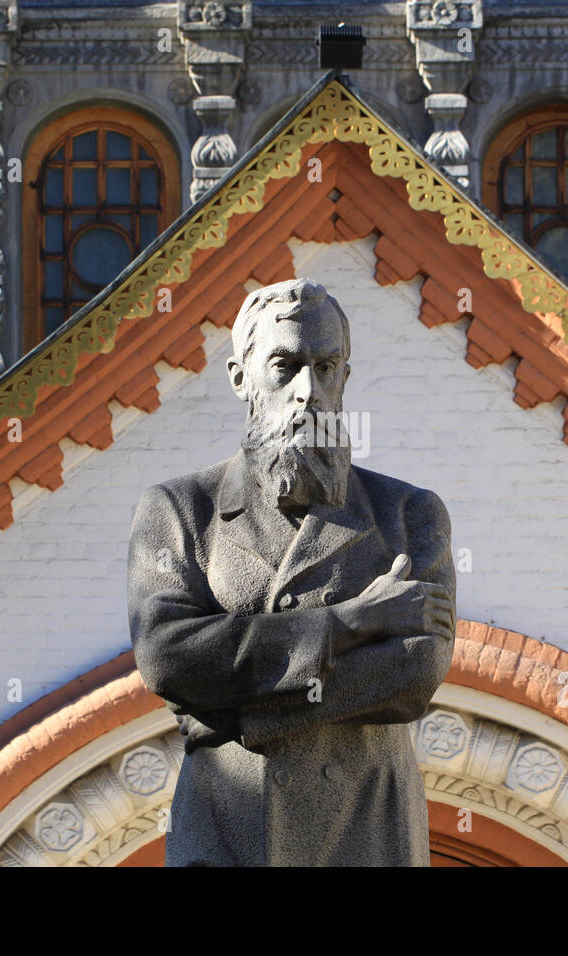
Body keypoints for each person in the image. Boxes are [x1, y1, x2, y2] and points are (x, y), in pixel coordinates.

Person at [127, 277, 456, 866]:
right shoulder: (182, 510)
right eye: (285, 365)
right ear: (240, 379)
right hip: (227, 830)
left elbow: (413, 671)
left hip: (366, 830)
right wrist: (353, 622)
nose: (308, 390)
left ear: (345, 378)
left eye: (327, 367)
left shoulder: (407, 514)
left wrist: (231, 711)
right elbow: (168, 655)